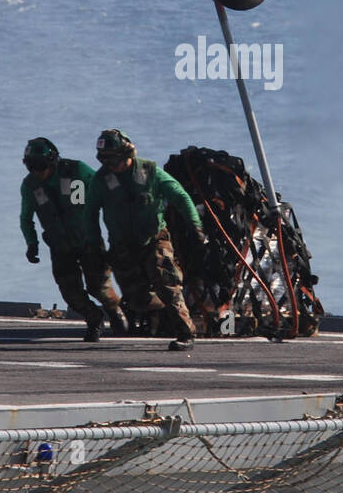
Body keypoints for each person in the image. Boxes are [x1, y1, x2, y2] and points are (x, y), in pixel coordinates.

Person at [87, 129, 206, 351]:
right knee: (137, 299)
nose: (110, 164)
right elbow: (89, 214)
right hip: (122, 246)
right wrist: (93, 245)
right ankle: (164, 308)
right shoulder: (100, 180)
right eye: (105, 159)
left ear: (127, 153)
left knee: (165, 280)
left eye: (113, 159)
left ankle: (186, 333)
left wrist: (195, 226)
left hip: (154, 239)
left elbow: (179, 196)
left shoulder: (150, 173)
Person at [20, 137, 127, 342]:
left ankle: (116, 312)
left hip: (88, 241)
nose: (36, 171)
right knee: (70, 293)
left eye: (40, 165)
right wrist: (31, 243)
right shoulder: (30, 185)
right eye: (31, 166)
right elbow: (26, 217)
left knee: (99, 287)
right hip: (60, 245)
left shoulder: (76, 172)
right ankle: (94, 318)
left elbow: (104, 190)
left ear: (52, 161)